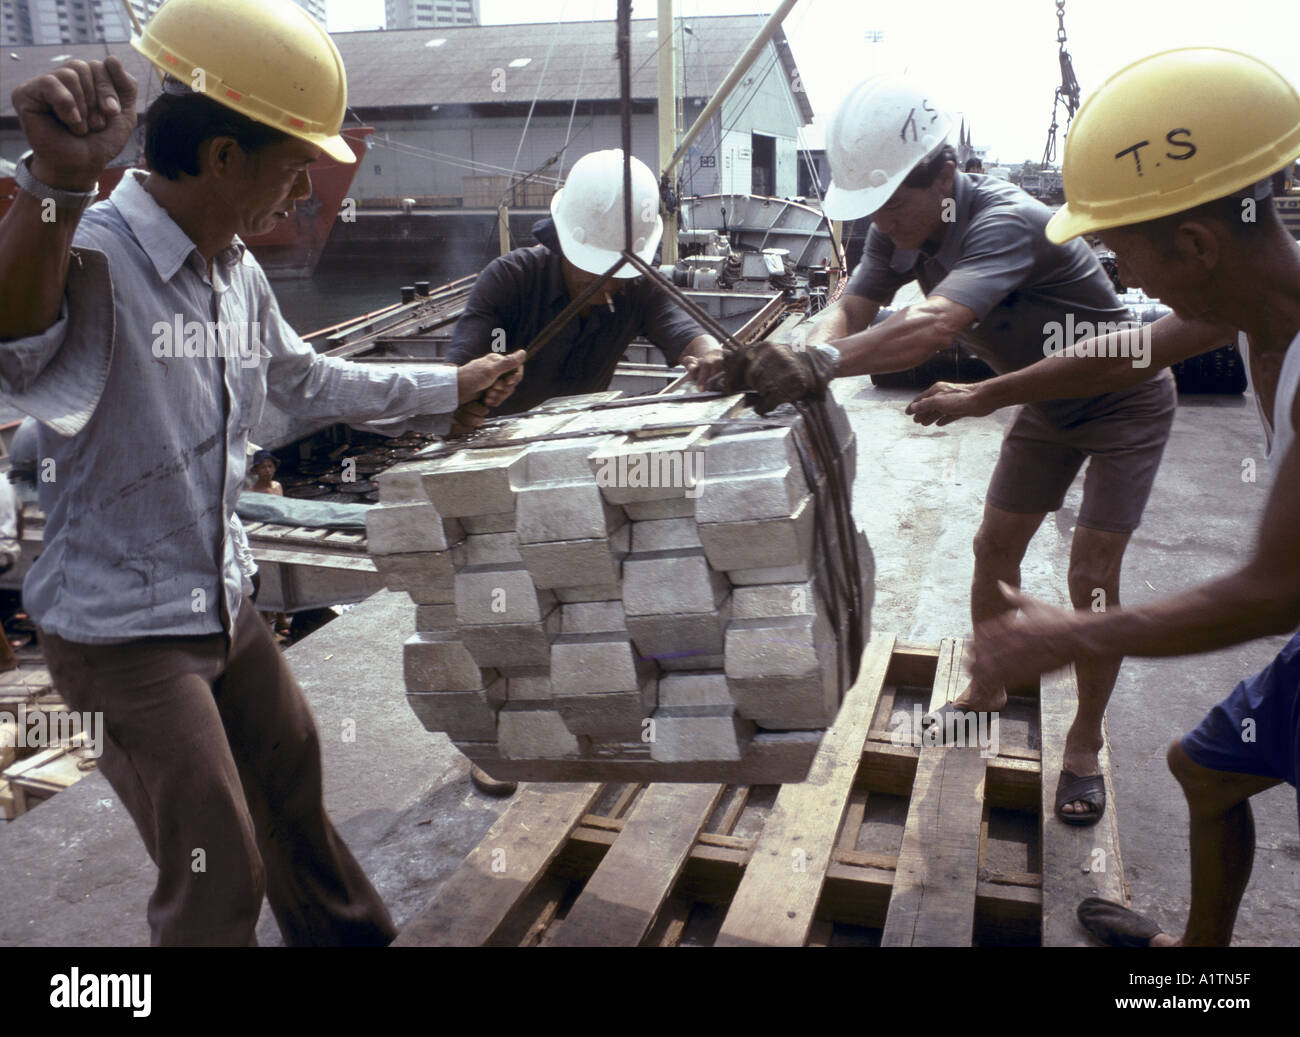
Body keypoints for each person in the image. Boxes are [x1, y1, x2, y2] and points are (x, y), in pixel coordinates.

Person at [0, 0, 523, 946]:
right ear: (225, 159)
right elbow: (17, 340)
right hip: (123, 631)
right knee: (216, 862)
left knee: (292, 777)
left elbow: (302, 378)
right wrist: (52, 181)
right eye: (293, 170)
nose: (303, 195)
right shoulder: (90, 250)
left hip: (218, 595)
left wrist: (450, 385)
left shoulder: (230, 265)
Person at [728, 75, 1177, 824]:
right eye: (872, 205)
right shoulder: (895, 222)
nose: (881, 220)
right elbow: (856, 302)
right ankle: (987, 688)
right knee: (991, 547)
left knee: (1091, 574)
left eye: (894, 202)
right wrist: (808, 353)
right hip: (1041, 398)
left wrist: (826, 364)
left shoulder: (1006, 220)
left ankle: (1085, 743)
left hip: (1123, 400)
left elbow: (935, 323)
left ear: (944, 175)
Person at [931, 47, 1300, 948]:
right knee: (1205, 769)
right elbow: (1122, 351)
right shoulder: (1245, 305)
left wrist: (1069, 634)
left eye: (1122, 244)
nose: (1121, 273)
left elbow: (1275, 588)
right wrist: (988, 392)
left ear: (1197, 243)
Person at [445, 149, 726, 434]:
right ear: (562, 242)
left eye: (617, 273)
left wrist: (711, 356)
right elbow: (467, 365)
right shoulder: (509, 279)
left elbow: (687, 333)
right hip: (495, 440)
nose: (605, 284)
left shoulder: (639, 288)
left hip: (578, 438)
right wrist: (469, 396)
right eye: (593, 269)